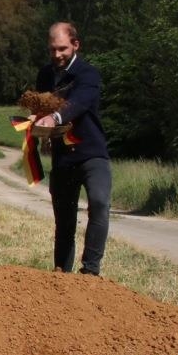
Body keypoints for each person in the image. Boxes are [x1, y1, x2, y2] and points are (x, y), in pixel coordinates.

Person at [34, 22, 111, 276]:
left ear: (75, 45)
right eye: (52, 49)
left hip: (91, 153)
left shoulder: (88, 74)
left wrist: (54, 118)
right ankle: (61, 276)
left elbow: (79, 102)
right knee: (64, 221)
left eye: (62, 49)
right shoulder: (45, 75)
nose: (57, 55)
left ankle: (90, 271)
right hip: (63, 158)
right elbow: (39, 105)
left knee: (99, 202)